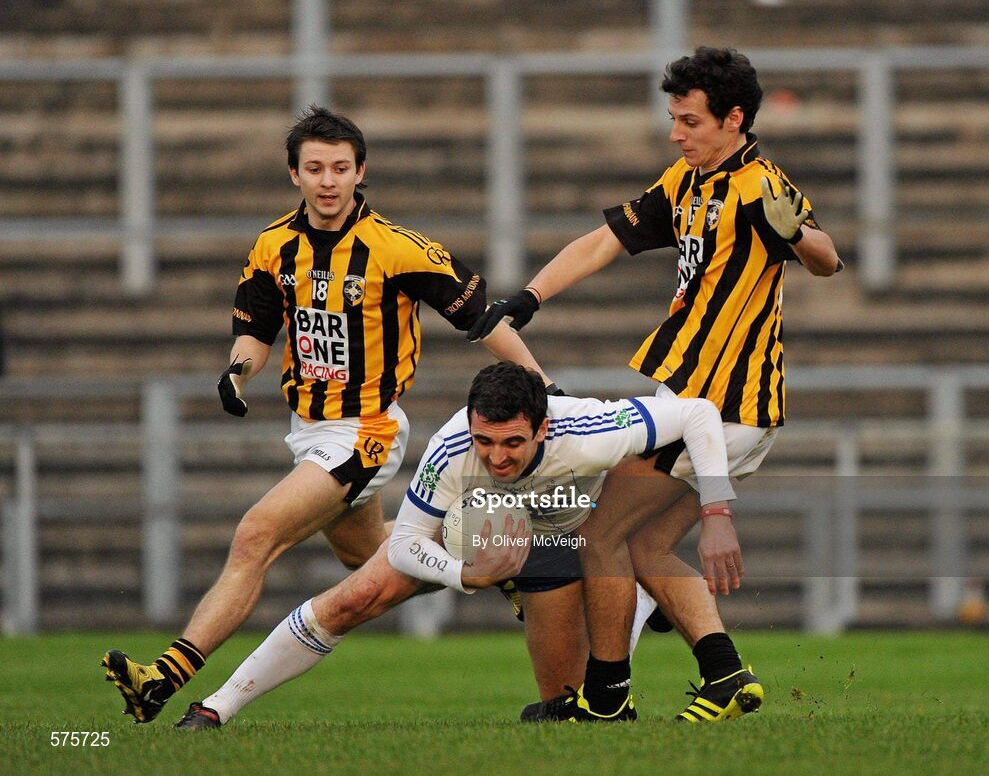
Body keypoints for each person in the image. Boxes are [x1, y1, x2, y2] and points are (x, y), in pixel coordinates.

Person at [101, 106, 550, 724]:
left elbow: (481, 318)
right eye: (315, 168)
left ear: (360, 171)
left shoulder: (396, 248)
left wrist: (541, 383)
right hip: (309, 430)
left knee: (256, 535)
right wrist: (237, 373)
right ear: (294, 174)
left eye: (341, 167)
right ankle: (500, 568)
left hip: (366, 430)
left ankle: (165, 676)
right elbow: (254, 332)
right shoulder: (272, 246)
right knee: (369, 556)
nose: (328, 180)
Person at [469, 46, 842, 722]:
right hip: (697, 398)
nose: (677, 133)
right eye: (674, 119)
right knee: (639, 543)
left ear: (734, 119)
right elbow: (605, 241)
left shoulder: (760, 187)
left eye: (690, 121)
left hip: (724, 402)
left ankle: (607, 698)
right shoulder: (687, 180)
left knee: (601, 535)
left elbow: (826, 257)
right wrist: (529, 297)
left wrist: (801, 234)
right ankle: (725, 678)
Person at [171, 361, 736, 728]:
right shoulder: (452, 448)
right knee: (357, 595)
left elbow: (698, 413)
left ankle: (636, 608)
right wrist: (466, 575)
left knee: (567, 713)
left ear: (542, 429)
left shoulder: (590, 431)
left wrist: (714, 513)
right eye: (485, 441)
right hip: (475, 534)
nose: (497, 457)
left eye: (513, 442)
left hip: (562, 542)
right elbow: (406, 541)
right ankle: (218, 707)